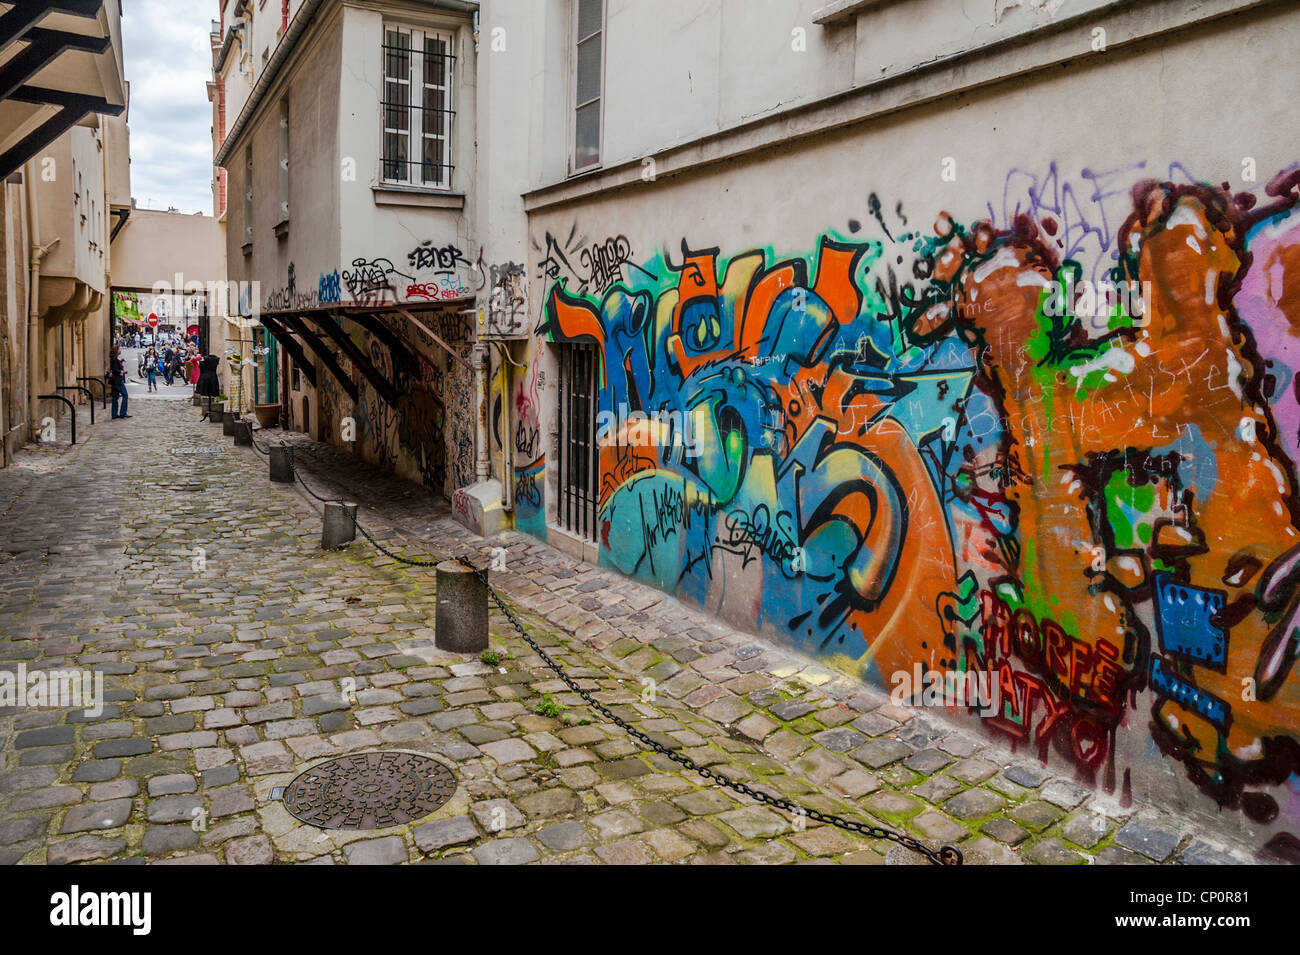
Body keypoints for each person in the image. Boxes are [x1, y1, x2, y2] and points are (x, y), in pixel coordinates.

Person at [109, 346, 131, 419]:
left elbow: (114, 368)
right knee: (125, 395)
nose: (120, 350)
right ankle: (123, 413)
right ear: (116, 351)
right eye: (119, 349)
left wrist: (120, 362)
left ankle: (114, 414)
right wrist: (123, 372)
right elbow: (115, 370)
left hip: (114, 381)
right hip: (117, 380)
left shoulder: (114, 359)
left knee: (115, 397)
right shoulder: (115, 360)